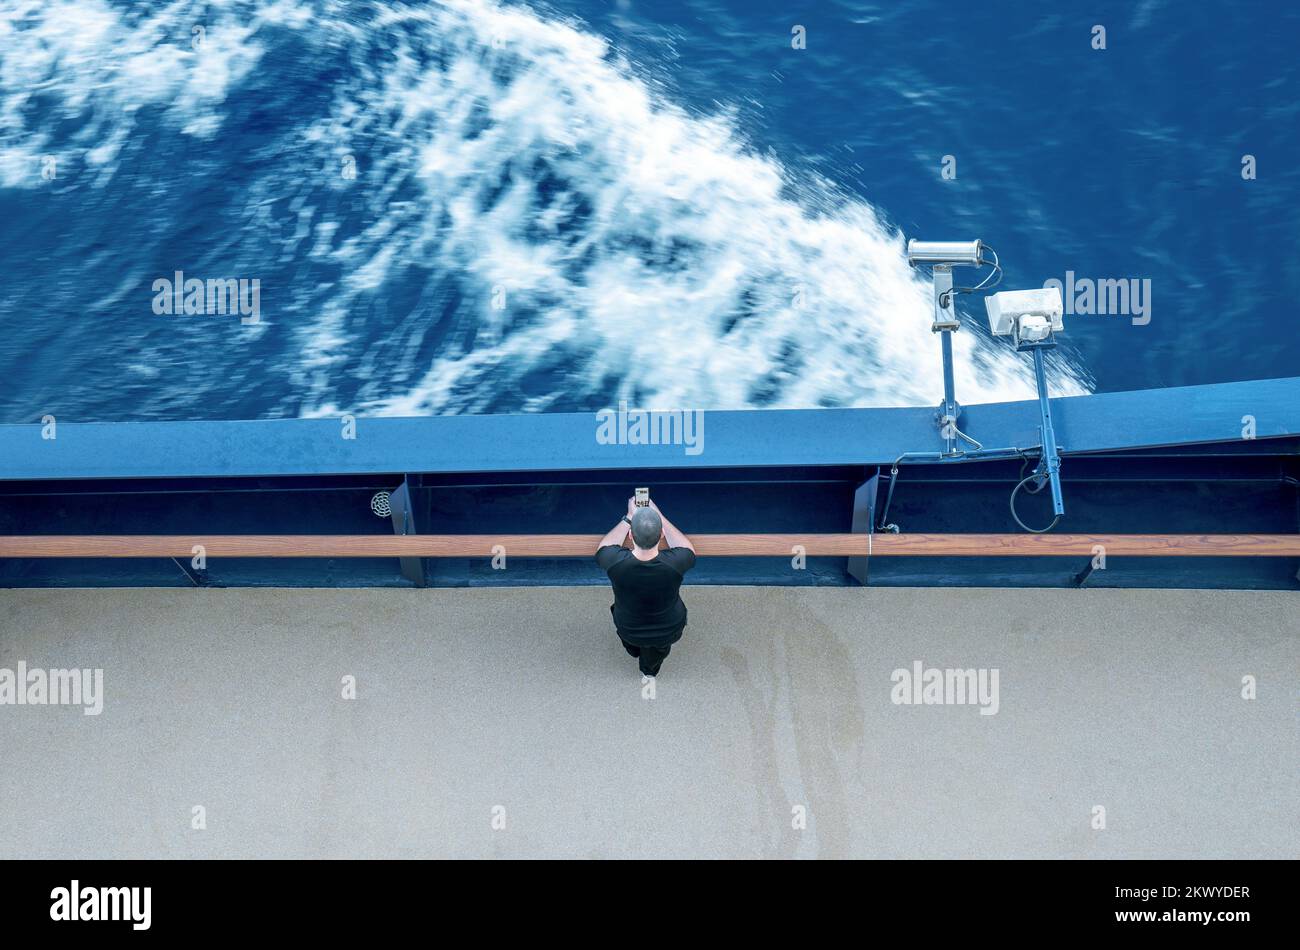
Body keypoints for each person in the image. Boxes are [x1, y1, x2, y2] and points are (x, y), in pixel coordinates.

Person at [594, 495, 696, 677]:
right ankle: (649, 670)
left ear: (631, 535)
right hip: (668, 629)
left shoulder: (614, 561)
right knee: (656, 654)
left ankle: (633, 650)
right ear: (662, 534)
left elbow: (605, 545)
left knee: (631, 644)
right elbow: (686, 547)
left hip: (628, 627)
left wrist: (629, 516)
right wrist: (658, 516)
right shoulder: (677, 562)